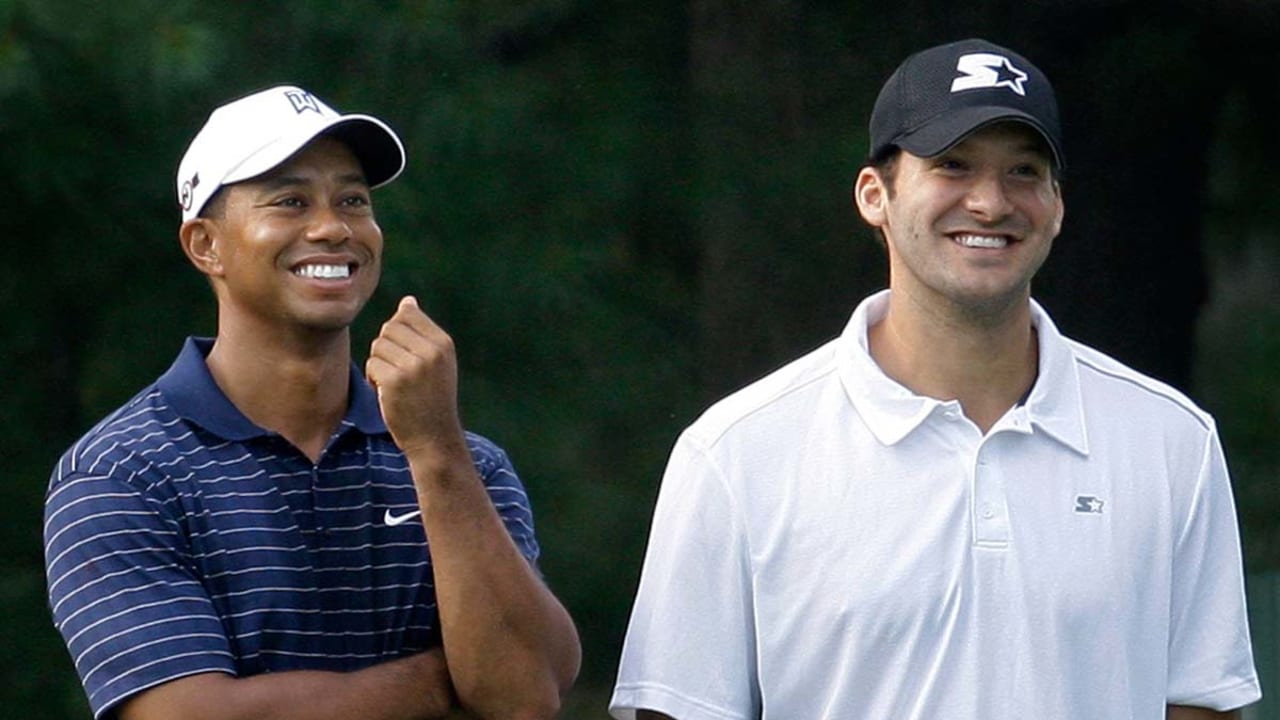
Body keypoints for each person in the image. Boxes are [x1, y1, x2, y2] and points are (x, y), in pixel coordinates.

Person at [609, 38, 1260, 720]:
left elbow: (1201, 706)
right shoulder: (735, 454)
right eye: (953, 166)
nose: (990, 202)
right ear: (874, 195)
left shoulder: (1170, 441)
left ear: (1057, 206)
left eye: (1023, 171)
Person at [44, 85, 580, 720]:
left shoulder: (467, 465)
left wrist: (438, 452)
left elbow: (523, 696)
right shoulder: (121, 473)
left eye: (352, 201)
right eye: (291, 201)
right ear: (204, 245)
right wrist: (449, 683)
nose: (332, 228)